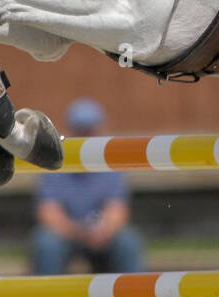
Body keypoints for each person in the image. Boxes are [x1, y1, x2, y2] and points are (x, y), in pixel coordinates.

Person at [31, 98, 143, 278]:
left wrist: (104, 230)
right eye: (80, 129)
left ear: (100, 130)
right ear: (70, 130)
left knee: (128, 242)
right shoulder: (53, 161)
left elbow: (117, 209)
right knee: (46, 243)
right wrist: (75, 231)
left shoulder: (112, 161)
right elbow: (48, 211)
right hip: (66, 234)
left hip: (103, 235)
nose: (85, 135)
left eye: (90, 129)